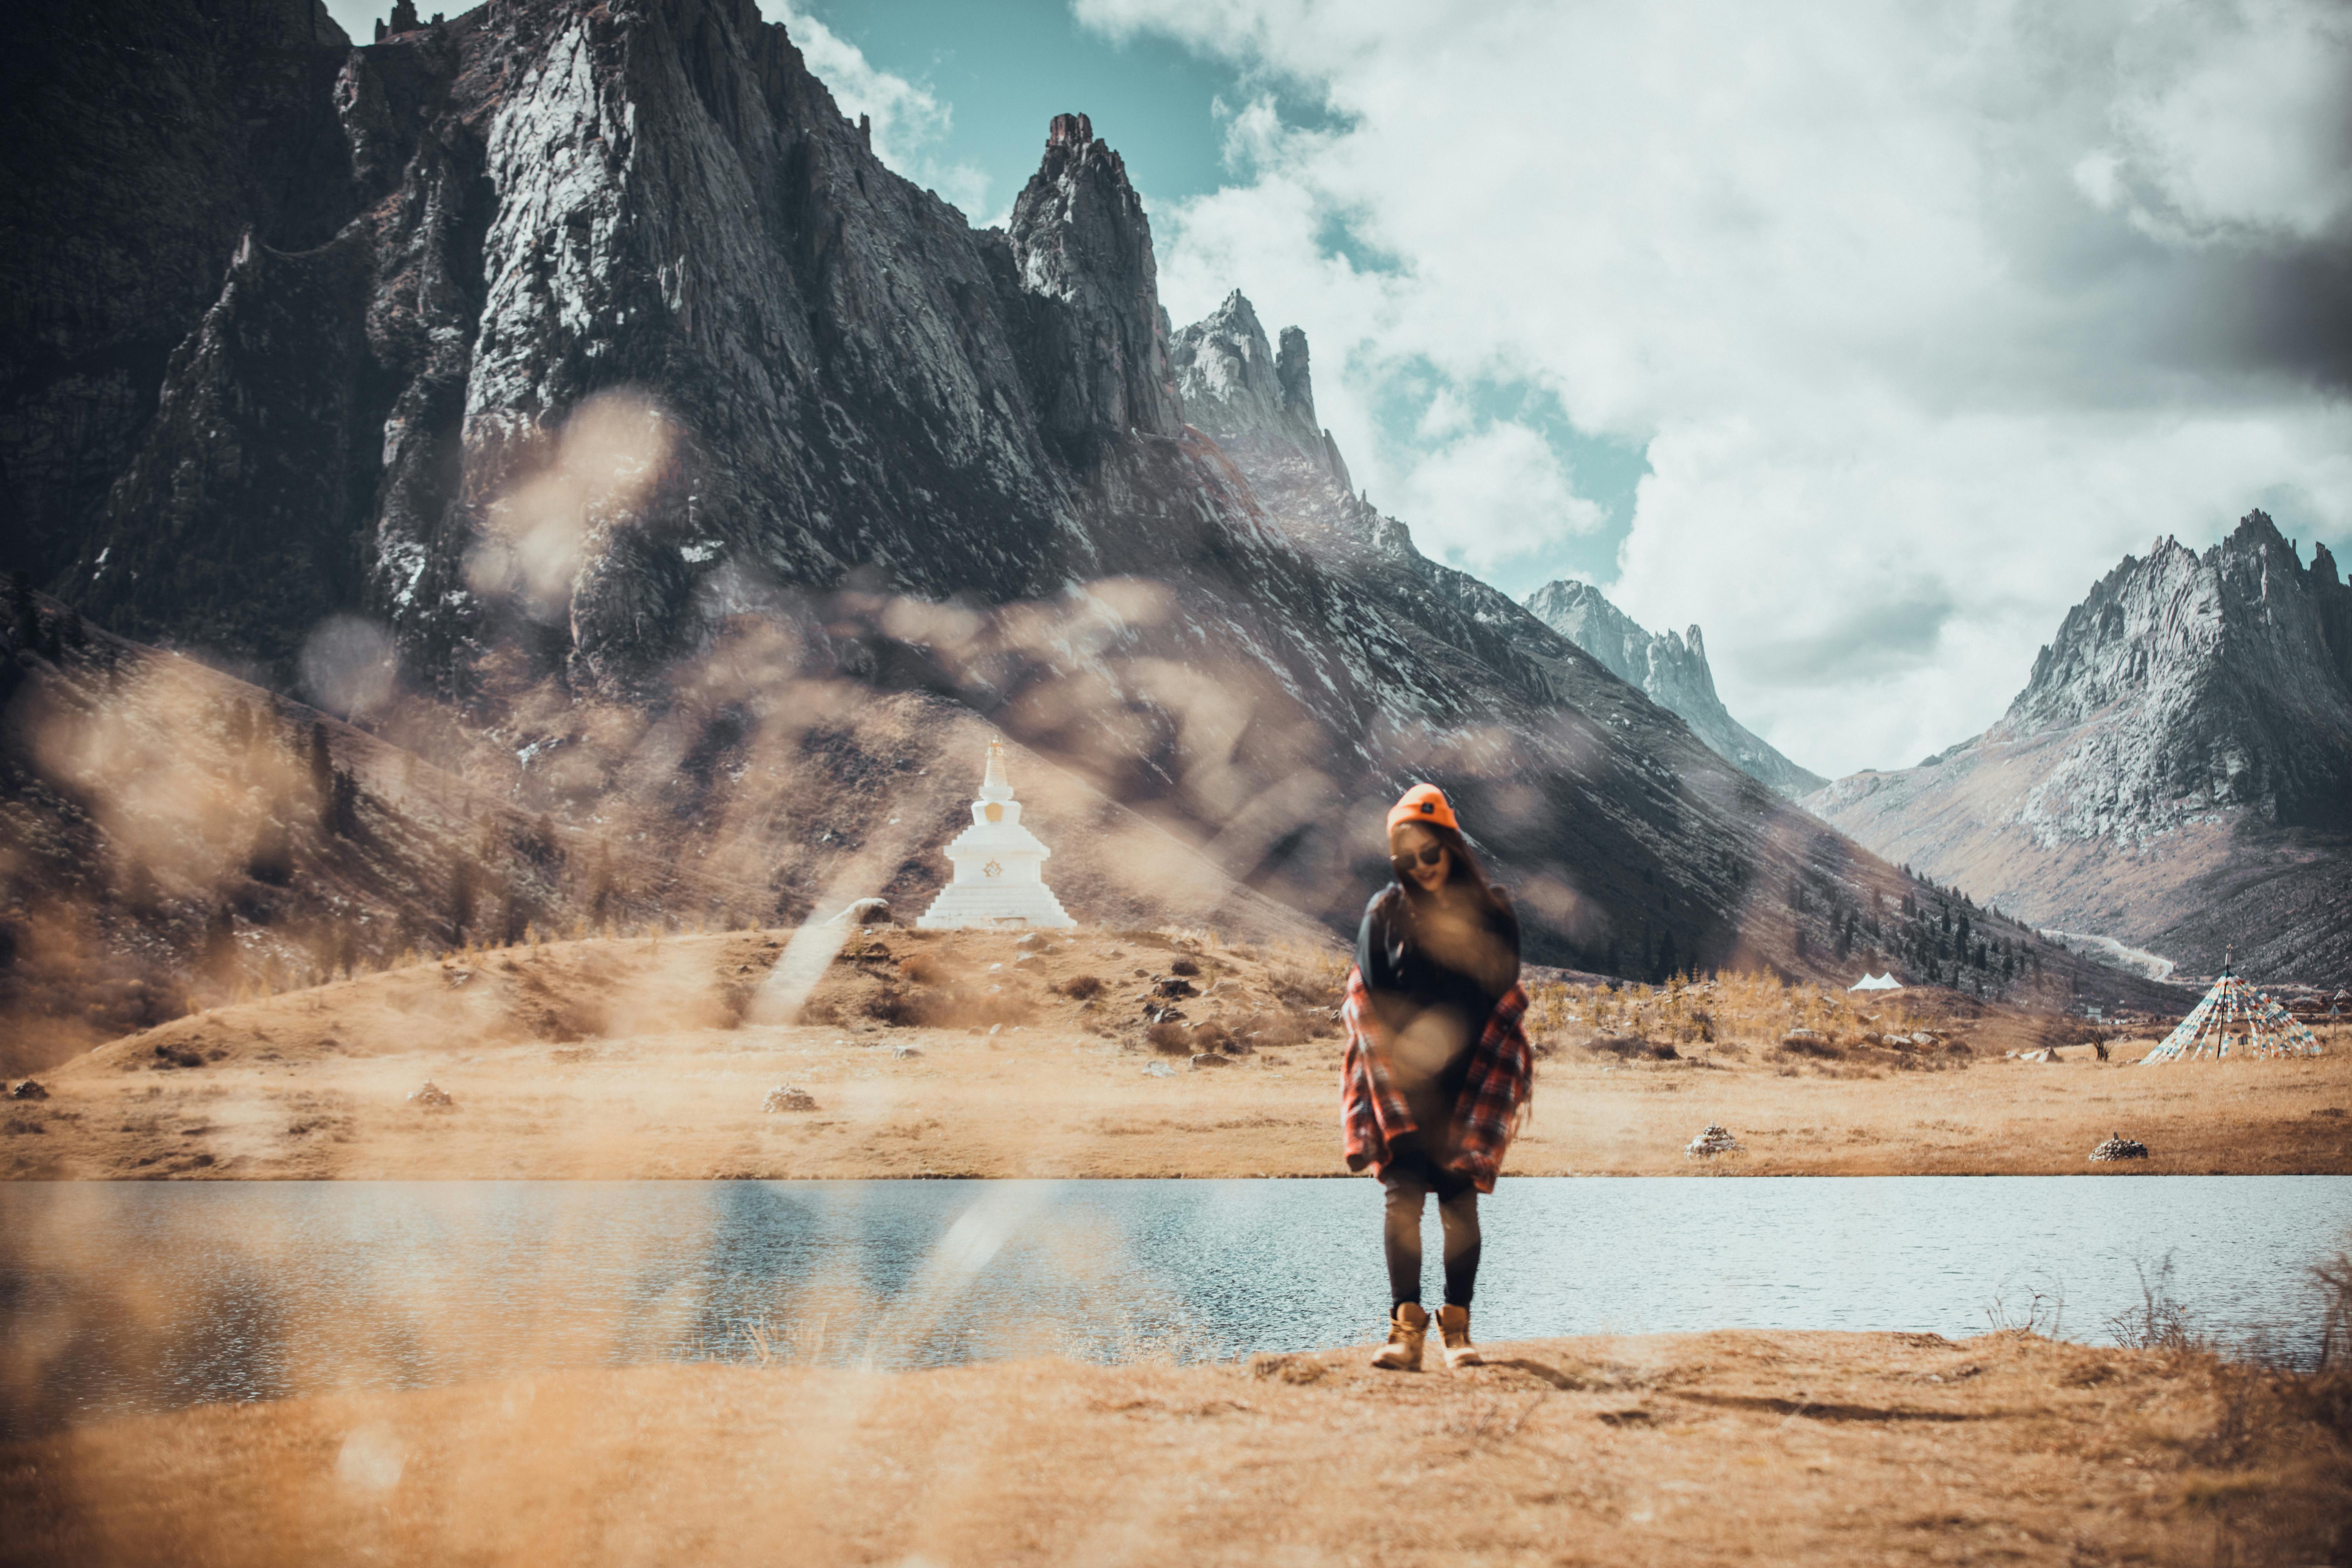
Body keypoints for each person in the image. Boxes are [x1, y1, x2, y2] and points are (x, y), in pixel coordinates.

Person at [1341, 782, 1531, 1372]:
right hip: (1401, 1087)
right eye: (1407, 858)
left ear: (1450, 846)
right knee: (1401, 1202)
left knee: (1457, 1205)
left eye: (1430, 853)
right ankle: (1405, 1332)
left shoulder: (1492, 912)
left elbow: (1500, 989)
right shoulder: (1384, 913)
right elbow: (1370, 994)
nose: (1421, 867)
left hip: (1467, 1084)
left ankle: (1458, 1329)